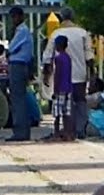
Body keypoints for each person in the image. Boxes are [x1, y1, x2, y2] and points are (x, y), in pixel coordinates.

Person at [40, 7, 94, 140]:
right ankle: (80, 129)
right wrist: (92, 73)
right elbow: (89, 56)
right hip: (80, 74)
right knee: (80, 101)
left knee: (64, 106)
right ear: (73, 17)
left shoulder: (55, 34)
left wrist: (47, 75)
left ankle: (66, 130)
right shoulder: (83, 33)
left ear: (62, 17)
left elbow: (47, 56)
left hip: (62, 76)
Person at [6, 6, 35, 141]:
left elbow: (11, 48)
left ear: (20, 17)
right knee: (18, 98)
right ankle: (21, 131)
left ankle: (20, 132)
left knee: (18, 99)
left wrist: (7, 50)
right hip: (19, 65)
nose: (13, 20)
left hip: (18, 65)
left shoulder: (22, 31)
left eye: (15, 17)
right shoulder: (22, 31)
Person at [51, 35, 75, 142]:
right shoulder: (68, 58)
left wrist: (55, 89)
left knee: (57, 112)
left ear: (58, 45)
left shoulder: (58, 58)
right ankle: (68, 133)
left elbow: (57, 74)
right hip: (68, 88)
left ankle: (56, 133)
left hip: (60, 88)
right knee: (67, 112)